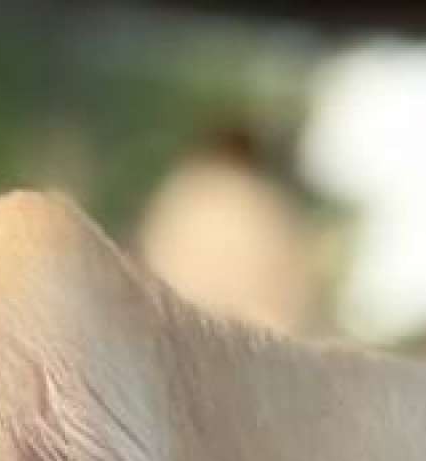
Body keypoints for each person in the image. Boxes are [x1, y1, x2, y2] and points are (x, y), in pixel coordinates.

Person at [135, 124, 321, 338]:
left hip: (183, 321)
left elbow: (155, 254)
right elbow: (287, 282)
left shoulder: (184, 193)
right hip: (244, 331)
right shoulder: (267, 205)